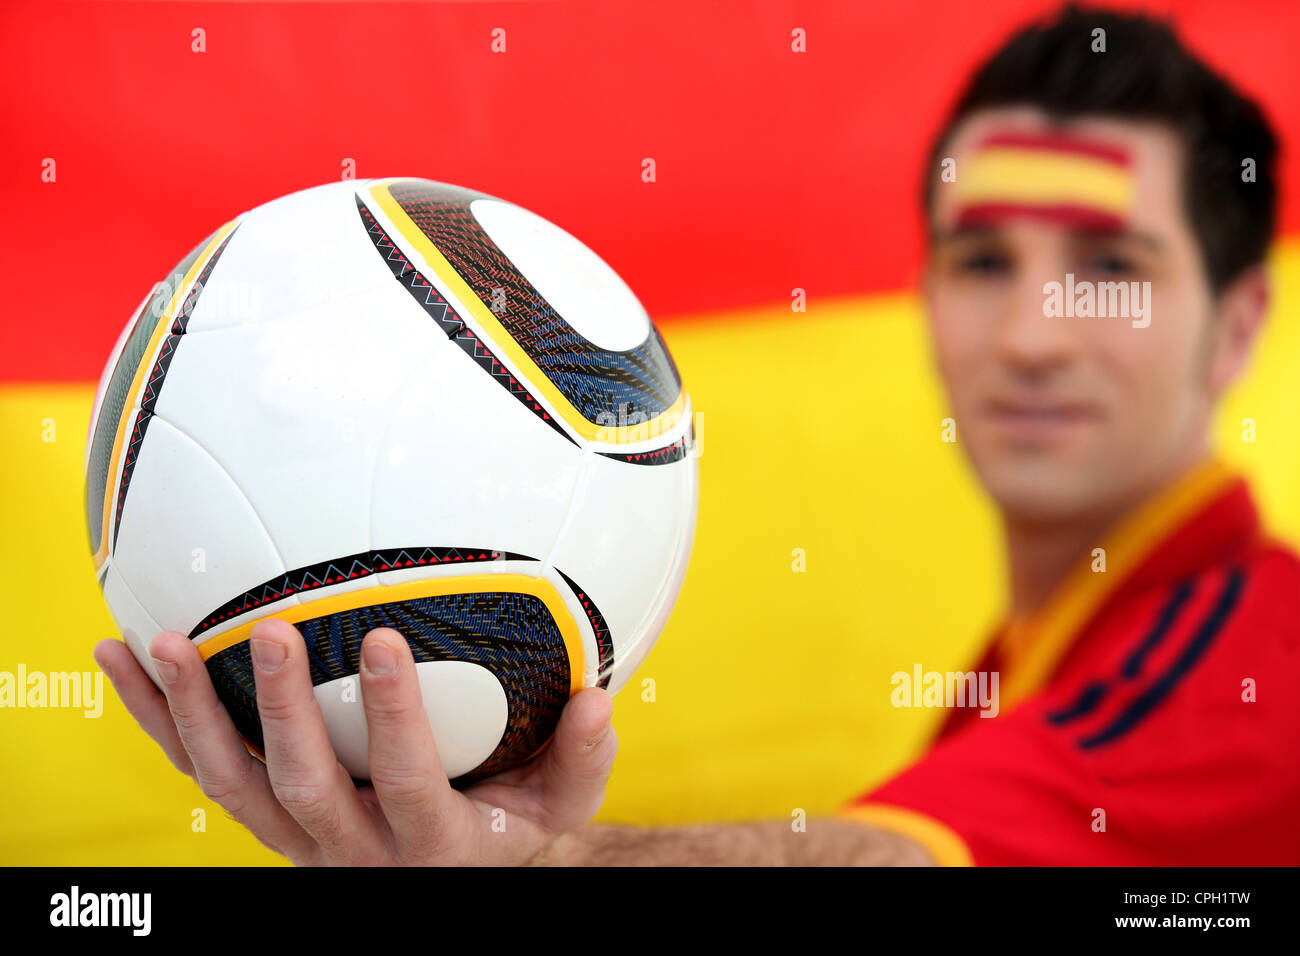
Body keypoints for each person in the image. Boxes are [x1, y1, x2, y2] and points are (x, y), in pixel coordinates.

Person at [94, 4, 1298, 865]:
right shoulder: (1021, 668)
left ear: (1237, 323)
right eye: (983, 261)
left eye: (1110, 269)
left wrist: (541, 865)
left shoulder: (1256, 656)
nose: (1035, 333)